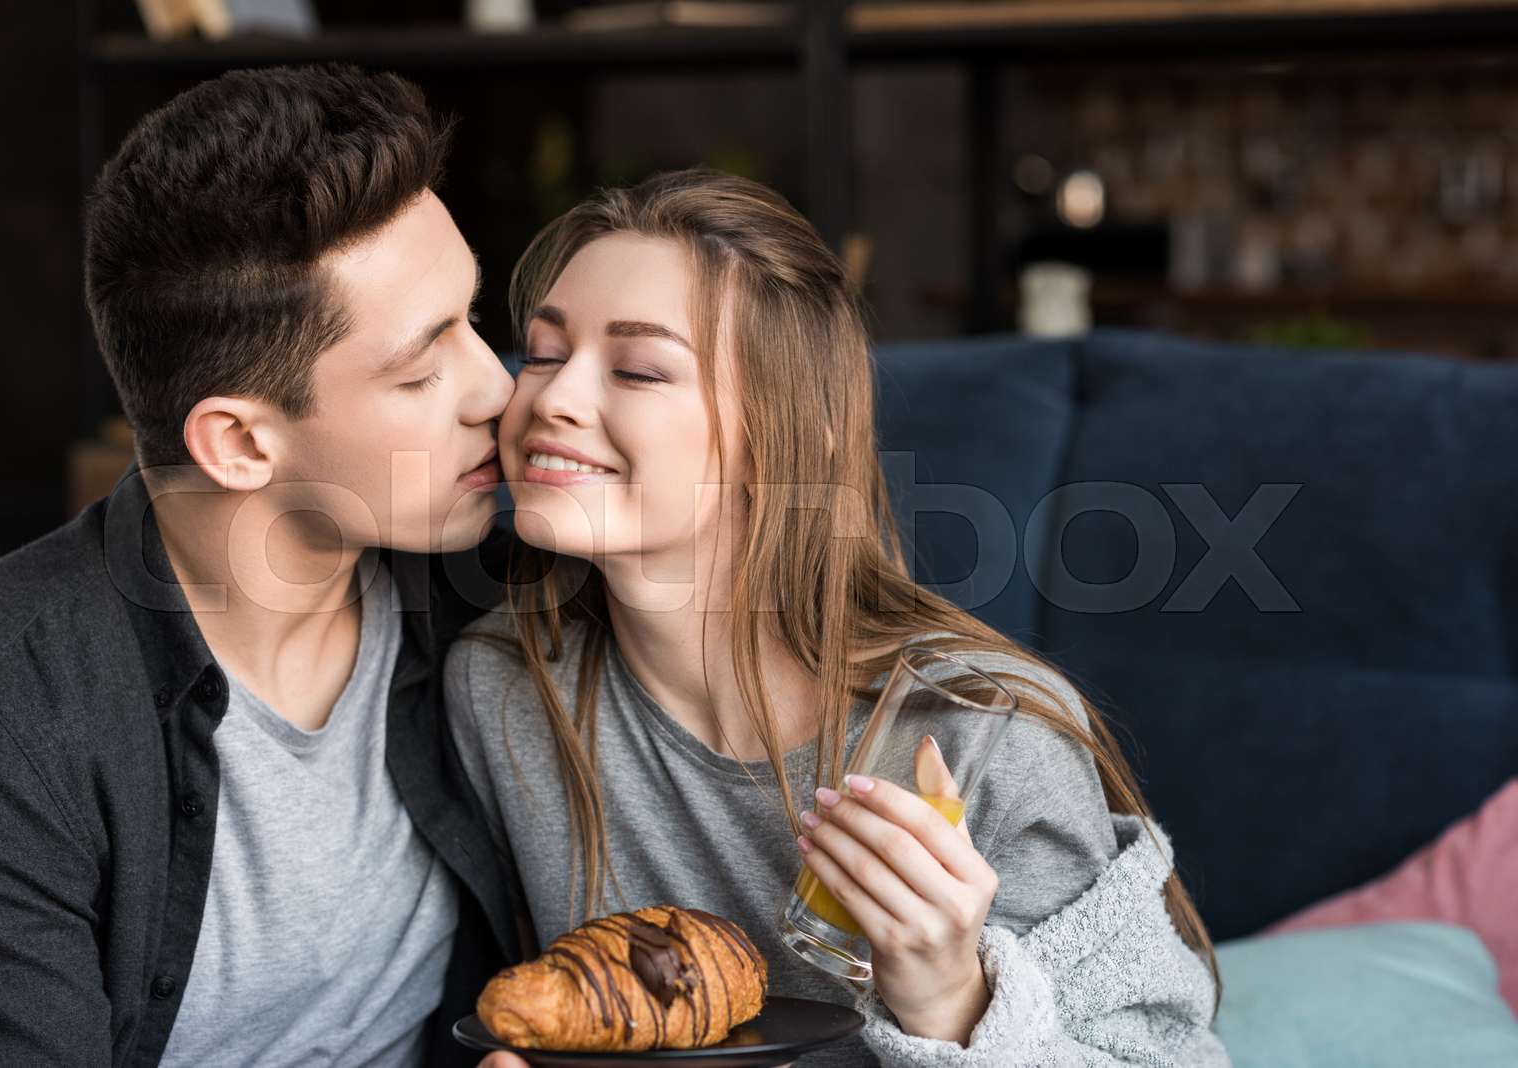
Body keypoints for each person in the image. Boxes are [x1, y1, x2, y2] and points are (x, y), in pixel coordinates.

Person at [445, 169, 1230, 1065]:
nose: (550, 399)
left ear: (791, 430)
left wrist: (952, 1000)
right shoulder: (507, 688)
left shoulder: (980, 733)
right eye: (541, 353)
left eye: (637, 367)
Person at [0, 64, 525, 1067]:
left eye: (473, 320)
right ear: (240, 445)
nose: (490, 388)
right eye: (420, 371)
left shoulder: (485, 595)